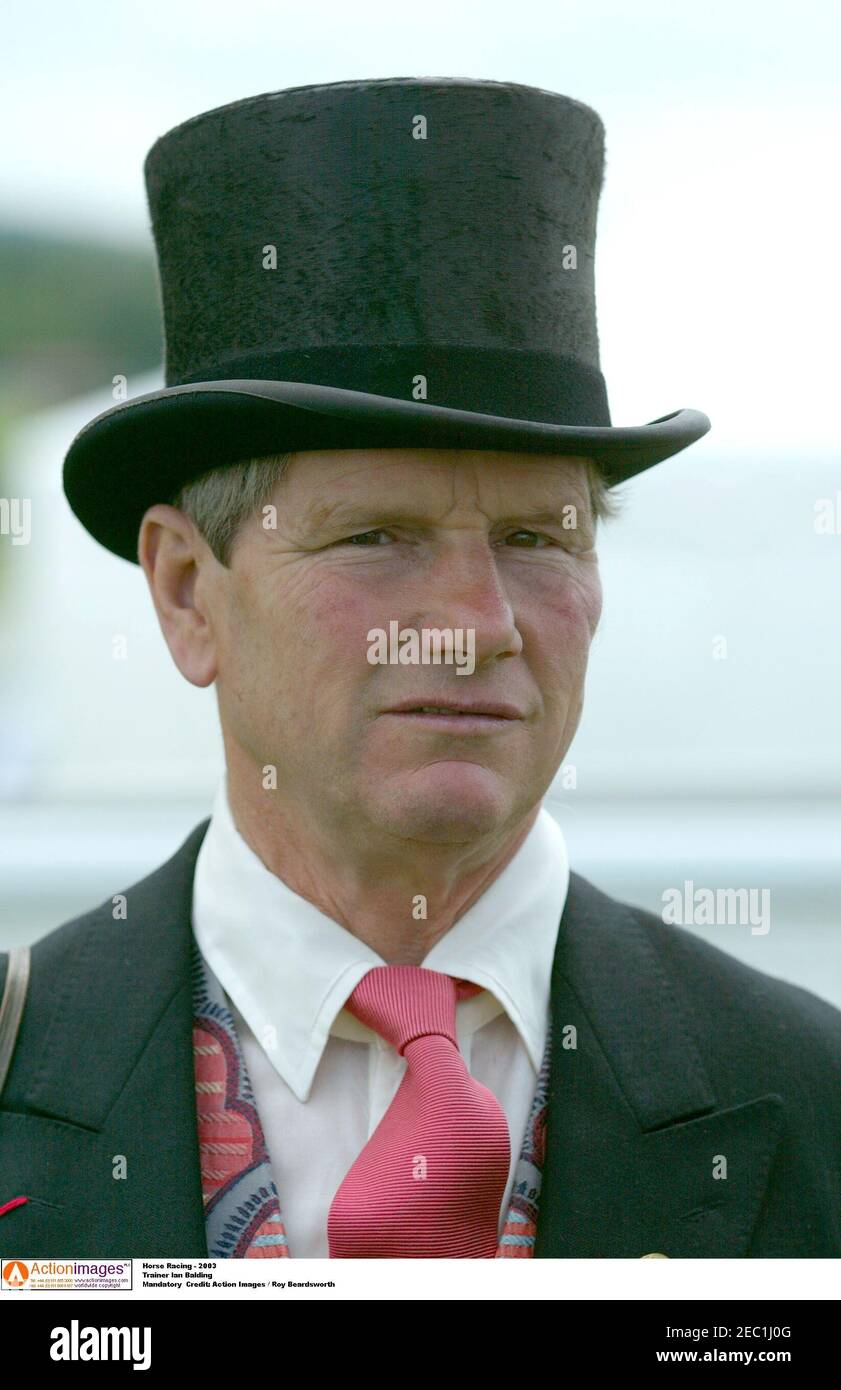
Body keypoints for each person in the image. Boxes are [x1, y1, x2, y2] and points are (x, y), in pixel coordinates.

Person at [1, 78, 839, 1259]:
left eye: (538, 538)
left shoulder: (809, 1102)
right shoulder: (16, 1077)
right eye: (377, 536)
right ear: (189, 592)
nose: (477, 623)